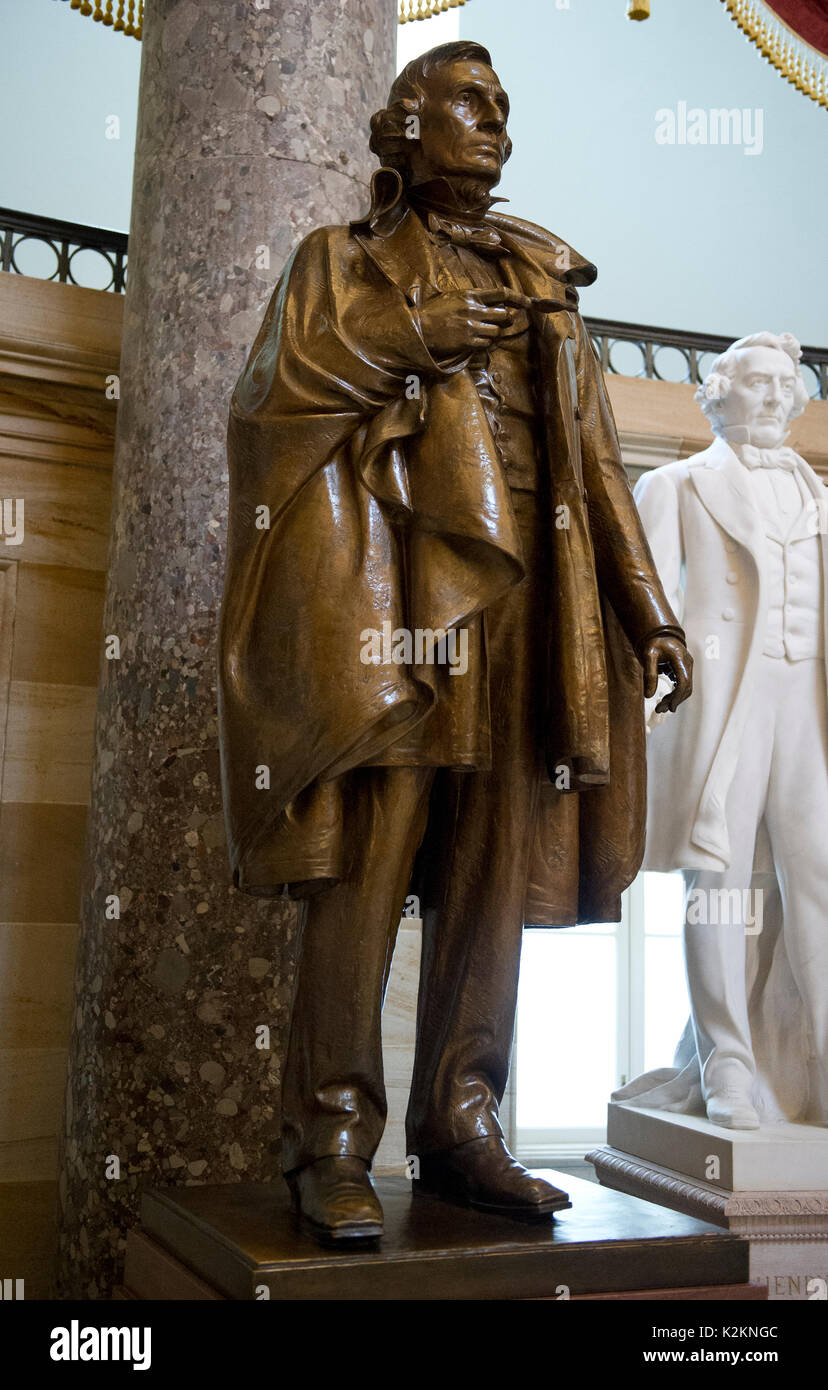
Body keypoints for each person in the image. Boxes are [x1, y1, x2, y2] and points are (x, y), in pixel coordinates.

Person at [218, 40, 692, 1241]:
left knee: (491, 876)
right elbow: (268, 409)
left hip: (536, 594)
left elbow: (594, 456)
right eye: (470, 106)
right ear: (404, 126)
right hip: (405, 595)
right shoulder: (343, 262)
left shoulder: (544, 273)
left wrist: (649, 610)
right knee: (369, 871)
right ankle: (328, 1138)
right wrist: (408, 334)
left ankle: (462, 1126)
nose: (496, 128)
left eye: (504, 111)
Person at [622, 332, 828, 1130]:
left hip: (805, 701)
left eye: (786, 384)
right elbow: (645, 612)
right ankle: (727, 1067)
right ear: (716, 394)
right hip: (722, 703)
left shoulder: (817, 497)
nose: (775, 397)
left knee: (815, 878)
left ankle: (812, 1056)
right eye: (757, 383)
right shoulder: (675, 485)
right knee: (720, 881)